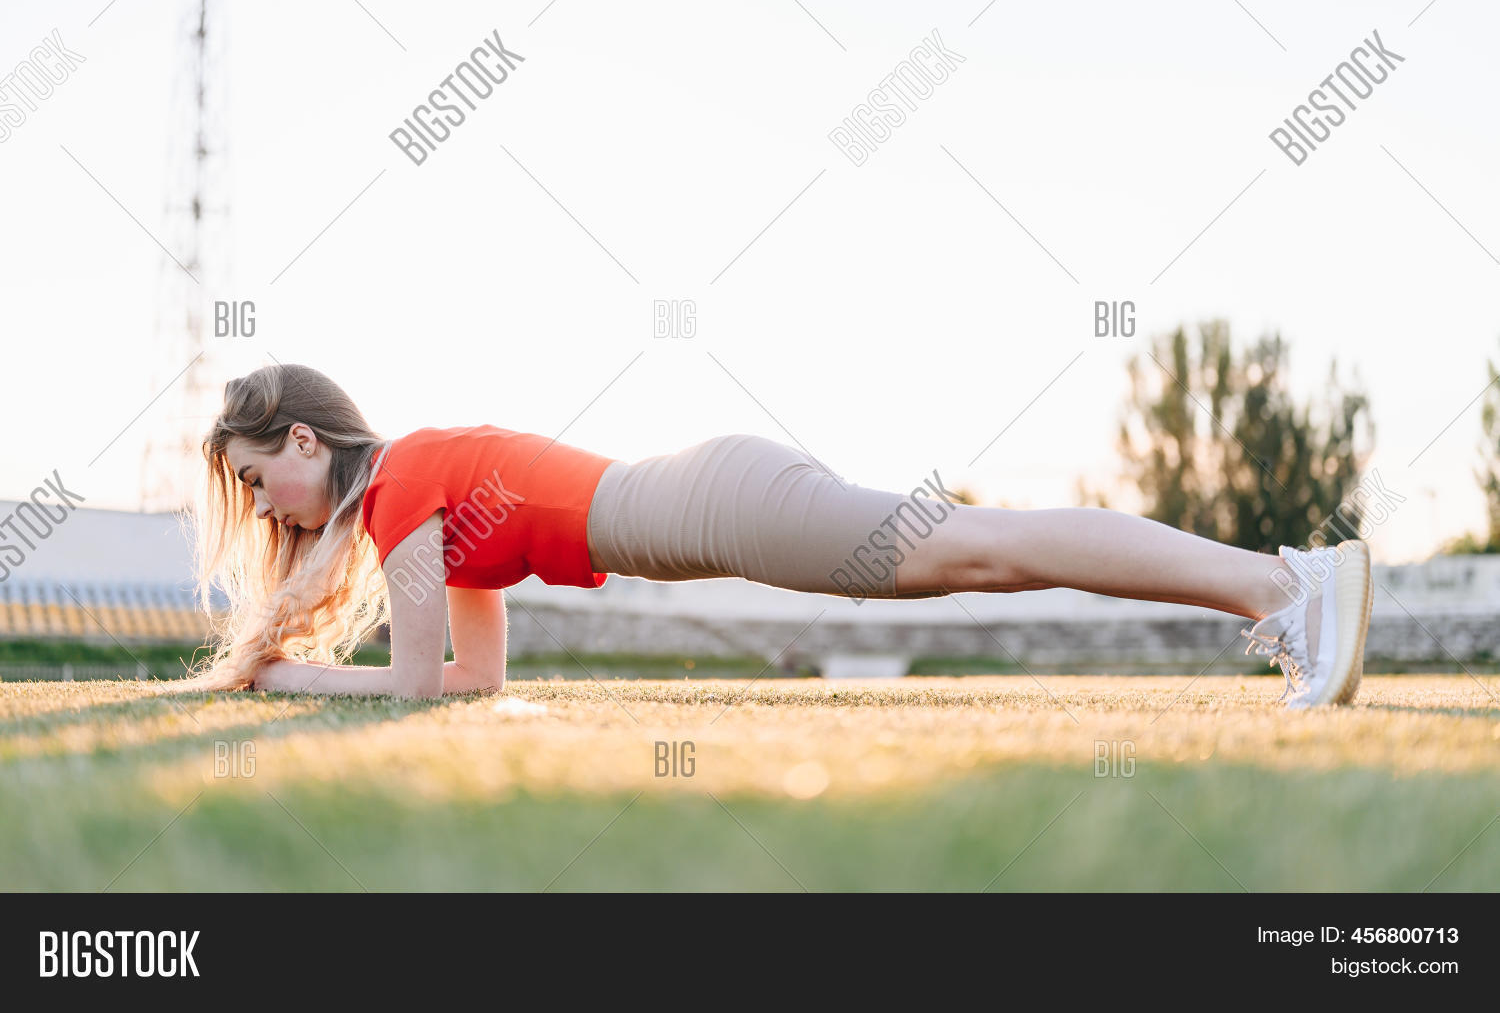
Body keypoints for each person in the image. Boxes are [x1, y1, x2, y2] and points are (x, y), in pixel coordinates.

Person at [174, 363, 1370, 707]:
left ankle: (1286, 584)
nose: (267, 509)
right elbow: (472, 680)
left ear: (303, 441)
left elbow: (412, 686)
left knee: (978, 548)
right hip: (718, 497)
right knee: (978, 550)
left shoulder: (403, 492)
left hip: (721, 503)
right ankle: (1282, 591)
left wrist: (284, 674)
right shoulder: (420, 495)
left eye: (256, 477)